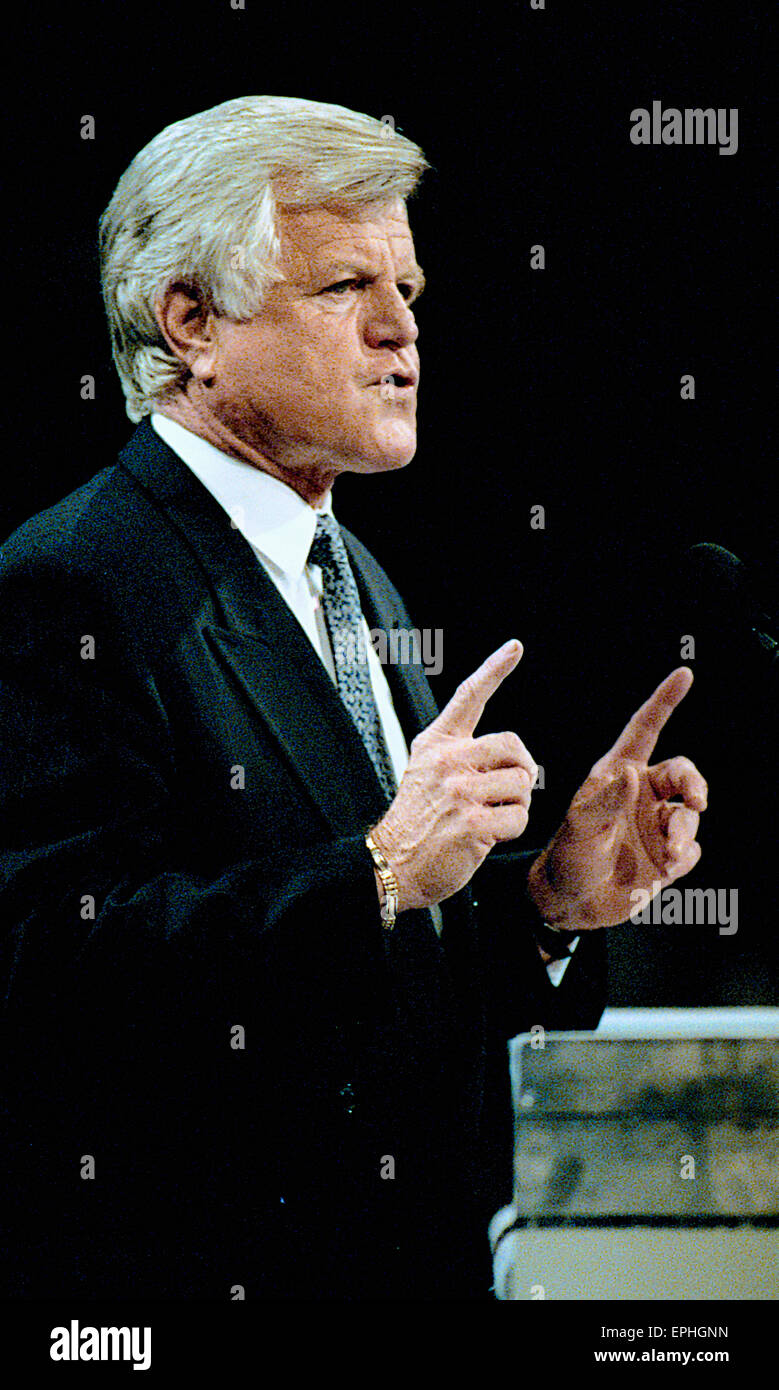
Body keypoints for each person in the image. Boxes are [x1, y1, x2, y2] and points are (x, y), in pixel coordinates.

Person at [0, 96, 706, 1300]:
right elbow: (48, 980)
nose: (401, 333)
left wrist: (541, 906)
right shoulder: (74, 578)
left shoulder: (351, 575)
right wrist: (375, 870)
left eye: (409, 292)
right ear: (190, 321)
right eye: (343, 289)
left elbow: (378, 983)